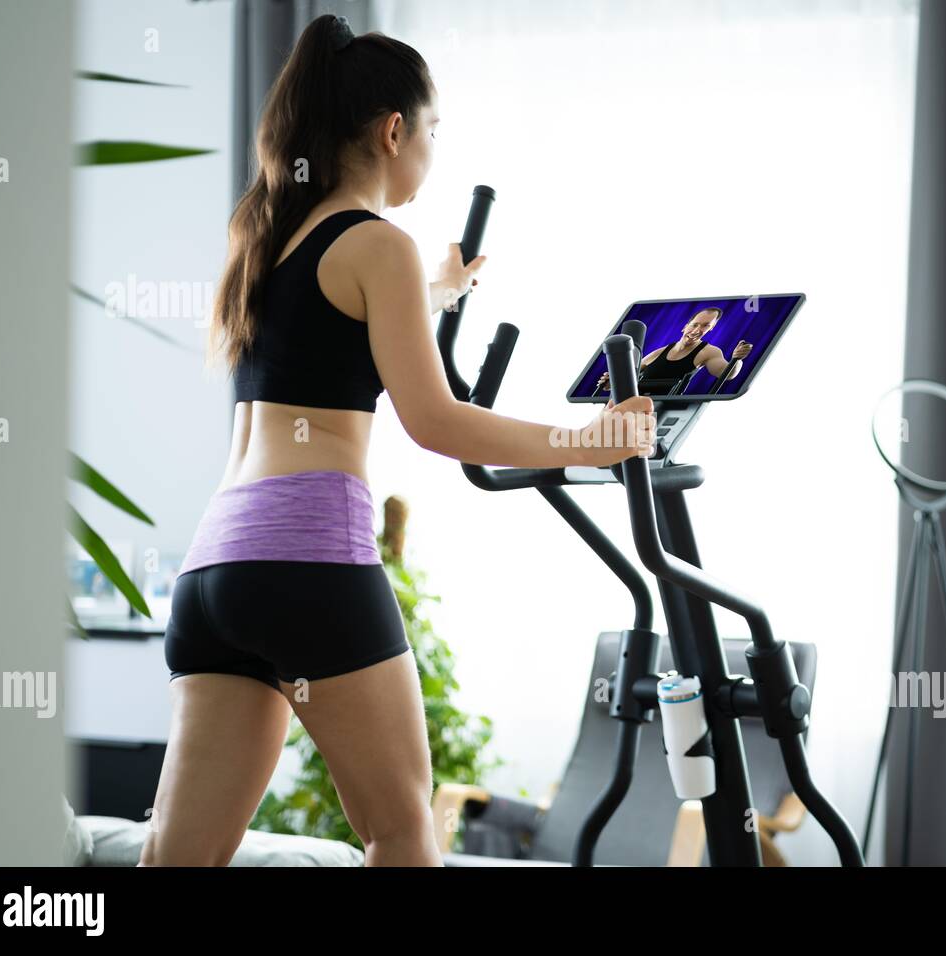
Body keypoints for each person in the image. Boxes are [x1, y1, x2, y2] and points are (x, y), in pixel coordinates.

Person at [142, 14, 655, 868]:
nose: (432, 151)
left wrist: (439, 292)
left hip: (216, 578)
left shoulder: (269, 243)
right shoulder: (379, 244)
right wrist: (591, 439)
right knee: (403, 829)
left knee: (178, 855)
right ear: (393, 131)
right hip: (309, 561)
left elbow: (333, 335)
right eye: (433, 132)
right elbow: (438, 421)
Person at [595, 306, 753, 396]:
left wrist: (737, 359)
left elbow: (728, 374)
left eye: (706, 326)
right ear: (685, 326)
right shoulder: (658, 352)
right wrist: (613, 381)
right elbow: (628, 376)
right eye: (695, 324)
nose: (698, 330)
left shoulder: (708, 352)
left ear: (711, 329)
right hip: (633, 405)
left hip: (663, 407)